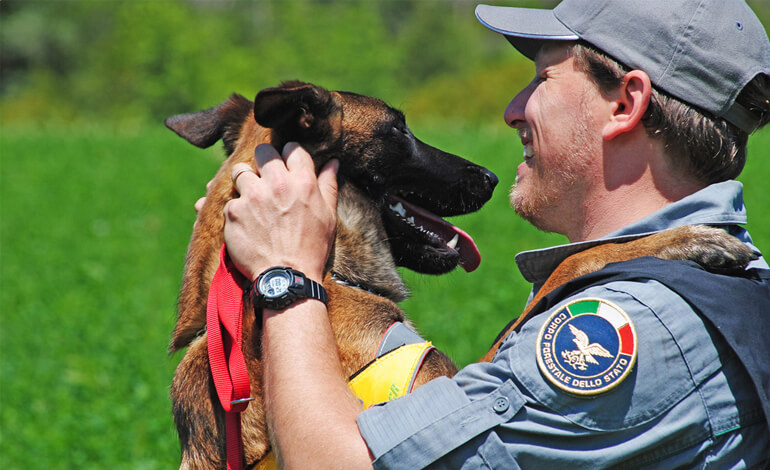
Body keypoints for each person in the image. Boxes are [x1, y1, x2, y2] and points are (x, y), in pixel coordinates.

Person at [220, 0, 770, 467]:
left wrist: (285, 272)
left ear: (625, 103)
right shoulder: (713, 285)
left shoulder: (632, 328)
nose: (512, 110)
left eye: (542, 79)